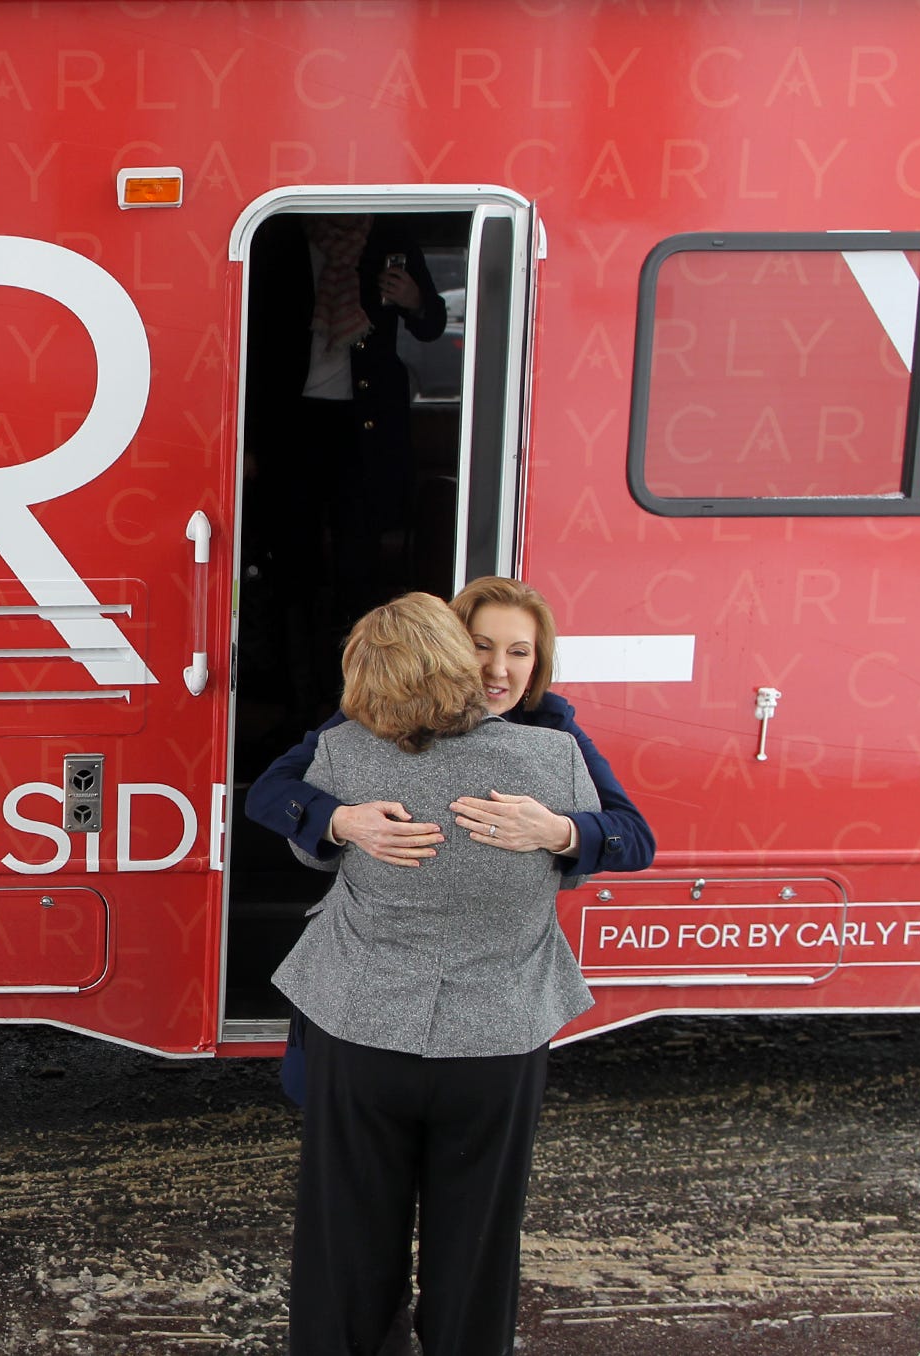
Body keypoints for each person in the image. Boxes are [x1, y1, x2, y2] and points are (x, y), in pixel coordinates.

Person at [274, 593, 599, 1355]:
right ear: (460, 658)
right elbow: (573, 870)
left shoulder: (343, 755)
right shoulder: (553, 759)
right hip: (498, 1041)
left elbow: (304, 850)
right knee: (477, 1247)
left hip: (360, 1032)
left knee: (345, 1240)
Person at [245, 576, 654, 880]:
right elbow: (268, 792)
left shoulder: (554, 728)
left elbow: (636, 840)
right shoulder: (382, 710)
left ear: (535, 666)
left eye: (518, 652)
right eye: (481, 645)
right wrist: (342, 820)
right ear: (449, 648)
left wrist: (557, 831)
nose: (497, 669)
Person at [242, 212, 449, 718]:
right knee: (292, 566)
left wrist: (414, 300)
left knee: (360, 566)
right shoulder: (279, 232)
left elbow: (433, 324)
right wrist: (249, 442)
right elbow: (250, 333)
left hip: (365, 428)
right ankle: (298, 701)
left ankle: (358, 699)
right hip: (292, 426)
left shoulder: (388, 233)